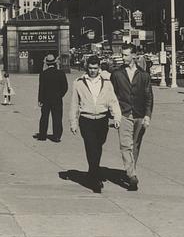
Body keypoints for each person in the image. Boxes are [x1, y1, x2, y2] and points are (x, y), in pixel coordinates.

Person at [68, 55, 121, 193]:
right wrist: (73, 122)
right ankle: (95, 179)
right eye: (90, 68)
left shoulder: (107, 82)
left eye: (95, 68)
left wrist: (116, 117)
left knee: (98, 146)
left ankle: (92, 172)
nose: (92, 71)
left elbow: (113, 101)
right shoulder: (79, 82)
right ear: (87, 67)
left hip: (102, 119)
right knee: (91, 147)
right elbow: (74, 104)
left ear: (99, 68)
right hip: (86, 119)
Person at [110, 43, 154, 192]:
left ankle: (130, 170)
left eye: (126, 55)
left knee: (135, 146)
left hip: (140, 115)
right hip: (124, 114)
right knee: (125, 145)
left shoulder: (144, 75)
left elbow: (149, 97)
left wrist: (148, 115)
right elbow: (112, 95)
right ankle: (132, 175)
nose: (123, 58)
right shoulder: (116, 74)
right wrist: (114, 113)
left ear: (134, 56)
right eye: (122, 55)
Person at [33, 54, 68, 142]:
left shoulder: (43, 74)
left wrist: (40, 99)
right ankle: (56, 136)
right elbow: (65, 87)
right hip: (57, 99)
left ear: (47, 63)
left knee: (44, 117)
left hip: (46, 99)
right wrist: (60, 95)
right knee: (57, 118)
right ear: (55, 63)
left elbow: (41, 88)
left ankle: (42, 135)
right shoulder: (61, 73)